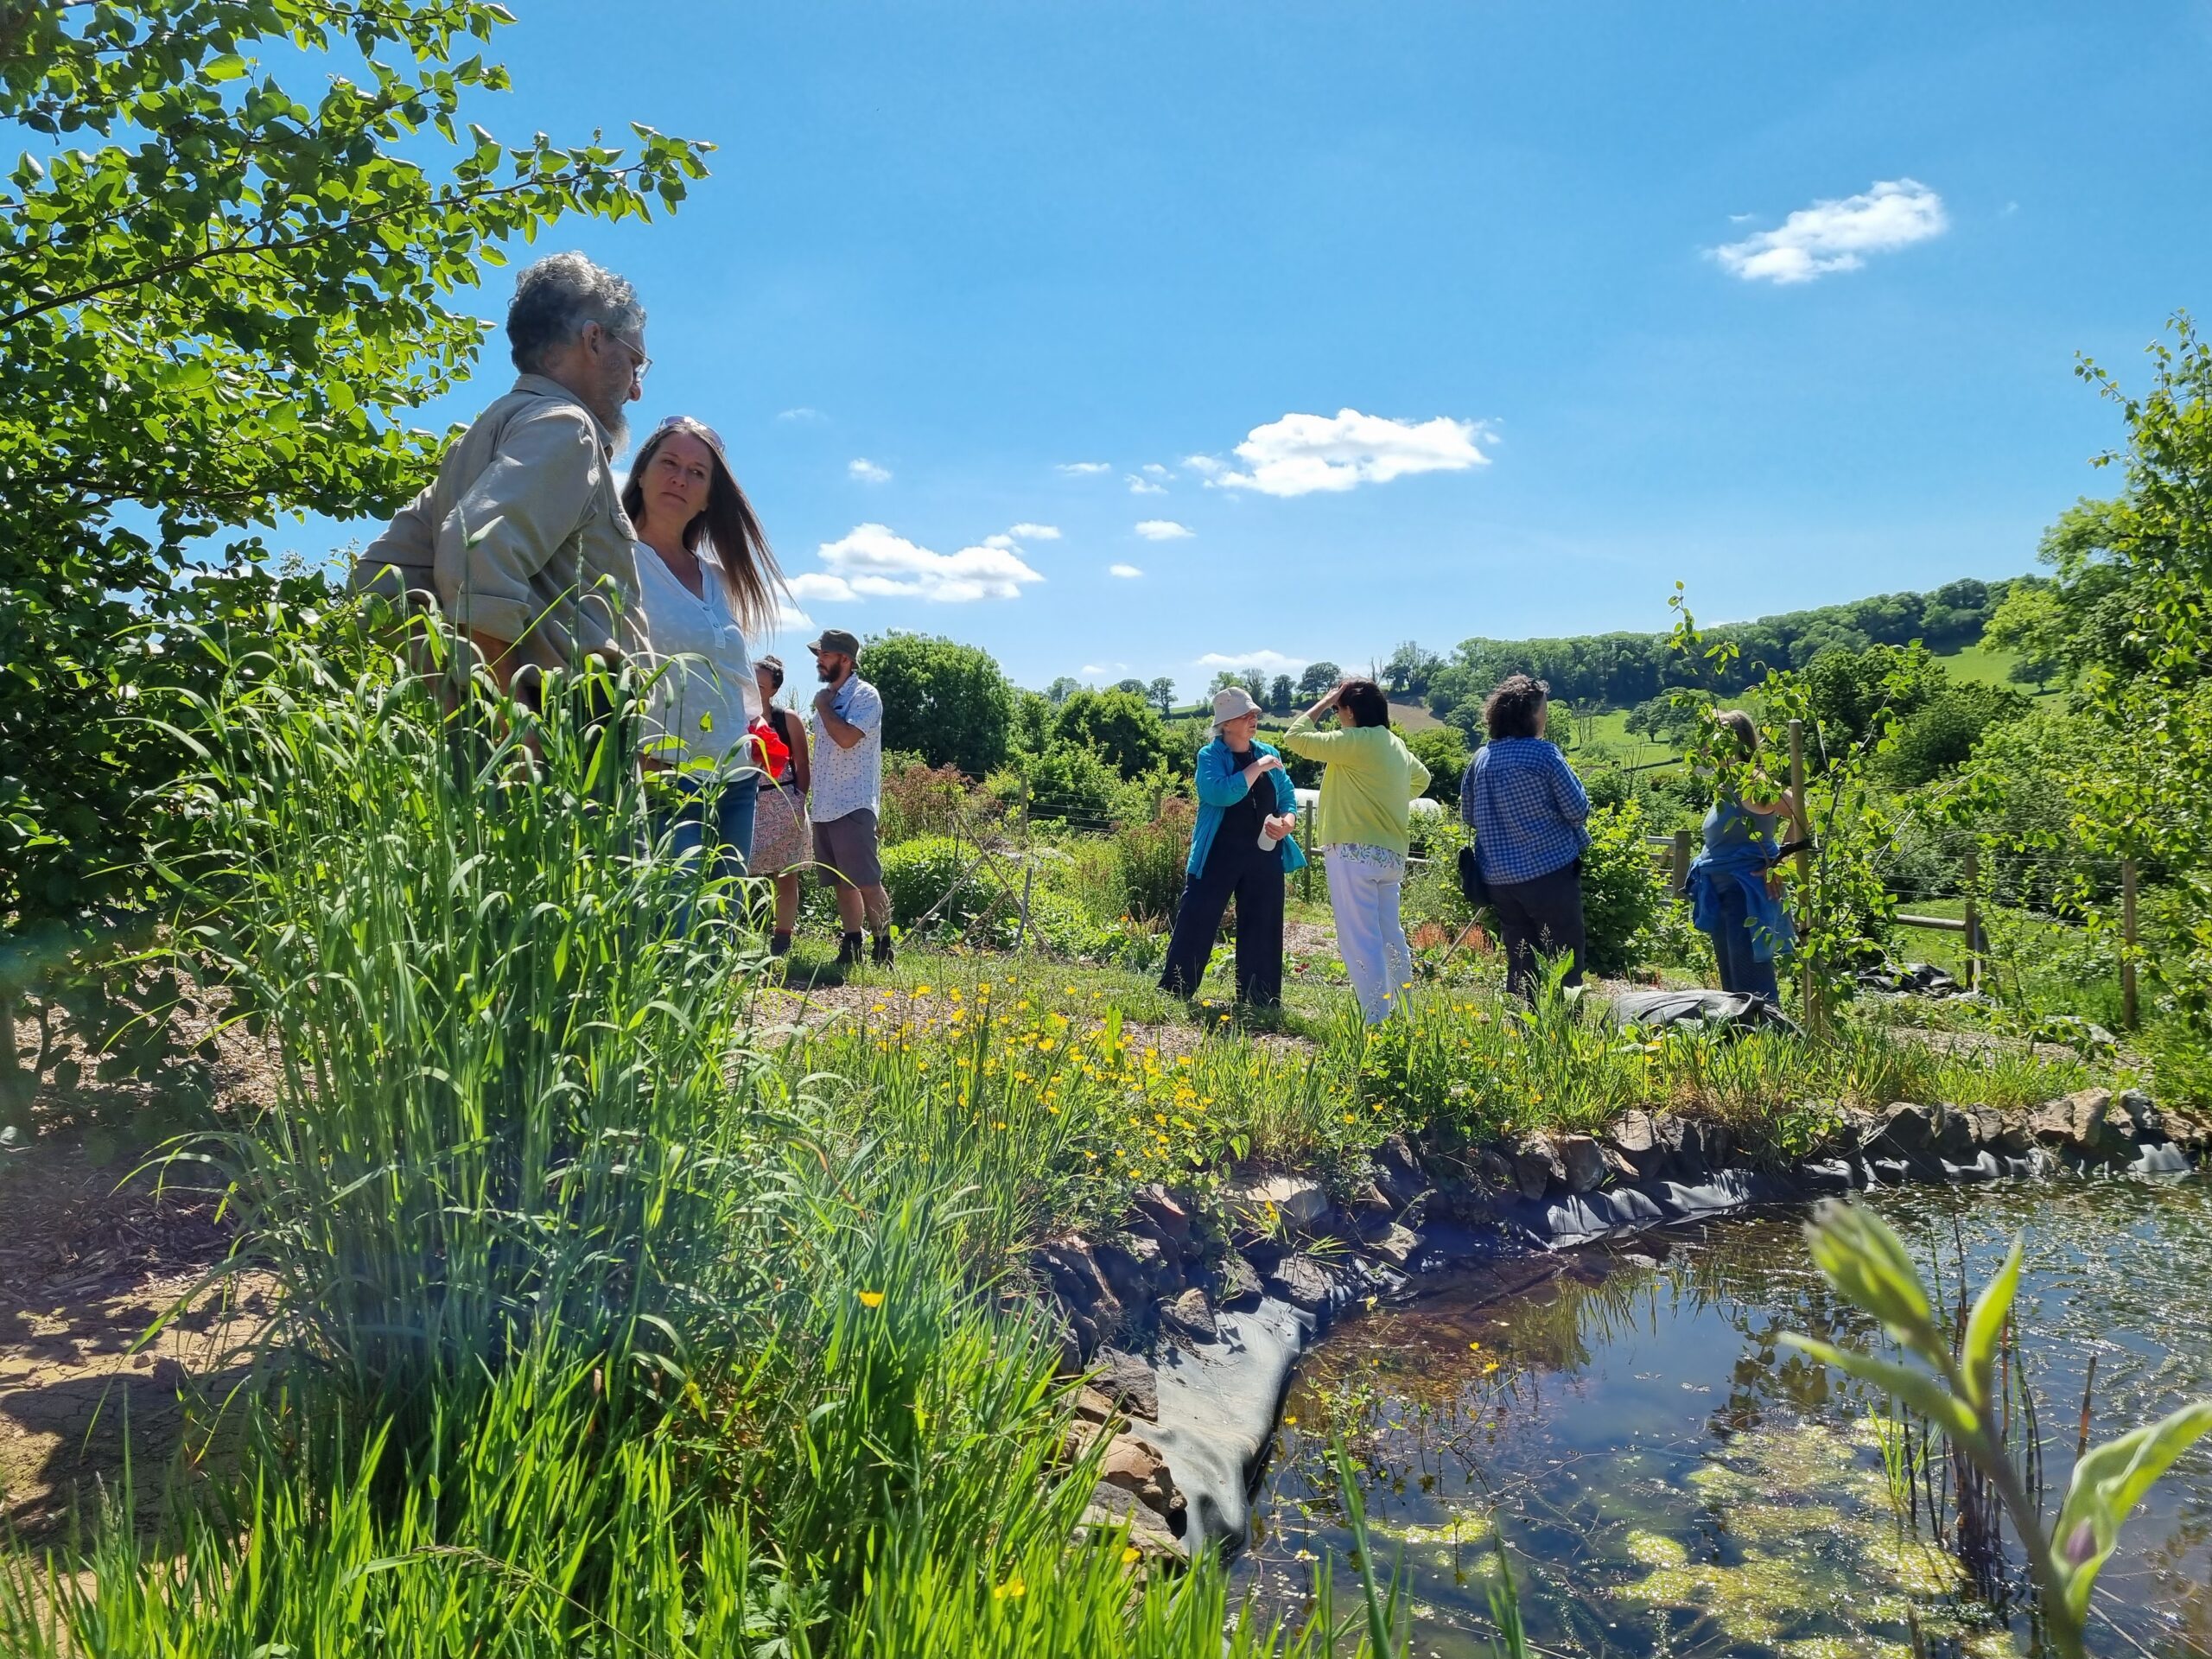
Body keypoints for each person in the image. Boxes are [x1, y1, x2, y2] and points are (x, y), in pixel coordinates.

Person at [352, 252, 651, 690]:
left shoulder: (478, 439)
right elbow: (478, 551)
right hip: (558, 736)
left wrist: (446, 694)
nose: (636, 388)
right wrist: (510, 725)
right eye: (634, 362)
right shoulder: (565, 427)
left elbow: (379, 577)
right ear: (593, 340)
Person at [625, 415, 785, 893]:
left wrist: (752, 734)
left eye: (698, 473)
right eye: (669, 462)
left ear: (710, 496)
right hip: (662, 773)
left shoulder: (718, 577)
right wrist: (636, 755)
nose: (680, 478)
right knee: (672, 922)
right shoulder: (614, 558)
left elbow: (730, 672)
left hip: (734, 777)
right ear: (642, 471)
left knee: (721, 926)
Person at [1282, 678, 1430, 1022]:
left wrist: (1324, 700)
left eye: (1338, 709)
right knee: (1391, 938)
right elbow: (1422, 779)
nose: (1336, 715)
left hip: (1353, 851)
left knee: (1360, 940)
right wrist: (1386, 798)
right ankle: (1407, 1017)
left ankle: (1376, 1023)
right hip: (1390, 855)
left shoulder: (1355, 741)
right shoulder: (1395, 745)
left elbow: (1295, 737)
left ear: (1349, 710)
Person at [1157, 687, 1306, 1008]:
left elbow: (1287, 795)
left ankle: (1260, 999)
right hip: (1218, 853)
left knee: (1263, 922)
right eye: (1245, 715)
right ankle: (1175, 991)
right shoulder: (1210, 756)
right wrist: (1257, 767)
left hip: (1264, 852)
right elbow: (1220, 793)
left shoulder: (1268, 752)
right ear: (1225, 724)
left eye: (1254, 713)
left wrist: (1288, 822)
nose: (1253, 719)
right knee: (1197, 918)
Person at [1462, 673, 1590, 1000]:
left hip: (1499, 879)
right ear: (1530, 714)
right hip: (1550, 872)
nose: (1545, 715)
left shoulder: (1480, 759)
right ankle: (1563, 1030)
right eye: (1543, 709)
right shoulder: (1544, 755)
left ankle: (1524, 1030)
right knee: (1564, 957)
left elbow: (1470, 816)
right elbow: (1577, 810)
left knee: (1520, 957)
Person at [1685, 709, 1796, 1002]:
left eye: (1713, 737)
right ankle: (1741, 1041)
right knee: (1732, 981)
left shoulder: (1751, 782)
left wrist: (1780, 861)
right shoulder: (1727, 783)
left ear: (1733, 742)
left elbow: (1801, 811)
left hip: (1744, 892)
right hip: (1721, 891)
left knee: (1750, 980)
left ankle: (1766, 1038)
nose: (1706, 745)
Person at [807, 629, 892, 967]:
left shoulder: (865, 695)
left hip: (853, 802)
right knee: (843, 882)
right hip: (825, 804)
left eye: (824, 654)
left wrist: (824, 708)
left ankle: (884, 948)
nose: (819, 659)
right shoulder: (827, 697)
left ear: (845, 659)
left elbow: (846, 738)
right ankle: (851, 945)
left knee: (867, 880)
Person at [750, 654, 814, 957]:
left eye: (760, 685)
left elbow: (802, 763)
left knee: (786, 875)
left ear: (773, 690)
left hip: (784, 804)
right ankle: (733, 935)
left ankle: (782, 941)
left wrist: (798, 803)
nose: (752, 688)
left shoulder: (787, 719)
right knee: (736, 869)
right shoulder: (734, 716)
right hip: (747, 803)